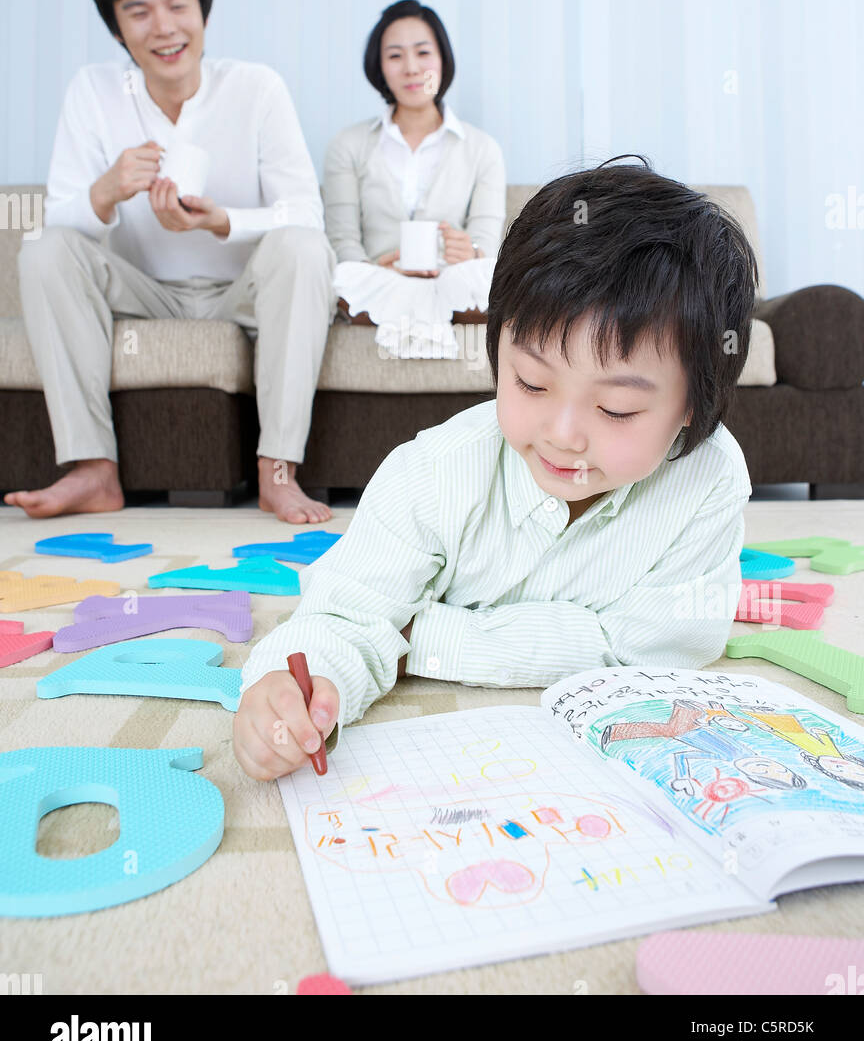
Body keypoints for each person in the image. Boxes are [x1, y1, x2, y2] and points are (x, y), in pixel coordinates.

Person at [232, 156, 758, 782]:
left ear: (691, 405)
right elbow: (345, 616)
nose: (562, 436)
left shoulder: (711, 479)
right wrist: (299, 686)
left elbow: (657, 648)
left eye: (616, 408)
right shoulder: (435, 472)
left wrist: (419, 639)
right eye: (532, 384)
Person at [4, 0, 336, 525]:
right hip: (142, 291)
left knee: (303, 247)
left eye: (177, 5)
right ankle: (91, 470)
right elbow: (58, 216)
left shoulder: (256, 88)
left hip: (242, 295)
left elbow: (304, 213)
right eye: (139, 12)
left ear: (202, 11)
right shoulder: (92, 91)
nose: (163, 28)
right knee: (45, 249)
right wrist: (105, 192)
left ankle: (277, 469)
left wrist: (223, 221)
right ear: (116, 29)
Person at [324, 0, 506, 358]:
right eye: (394, 56)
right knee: (339, 278)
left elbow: (486, 250)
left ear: (442, 60)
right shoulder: (348, 144)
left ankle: (422, 306)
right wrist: (376, 266)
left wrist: (467, 252)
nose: (411, 68)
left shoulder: (483, 148)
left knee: (489, 276)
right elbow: (343, 244)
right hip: (377, 281)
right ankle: (414, 306)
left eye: (423, 53)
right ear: (379, 67)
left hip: (450, 282)